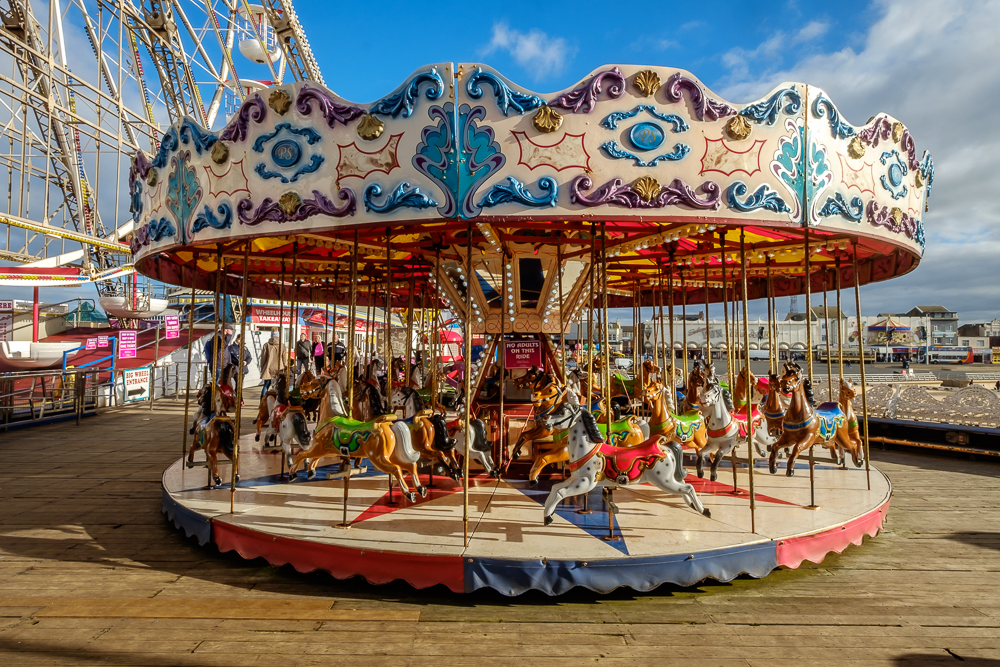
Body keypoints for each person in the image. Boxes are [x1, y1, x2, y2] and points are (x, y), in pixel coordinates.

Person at [258, 332, 286, 397]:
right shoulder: (282, 345)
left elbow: (263, 358)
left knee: (266, 385)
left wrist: (262, 368)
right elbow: (284, 358)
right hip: (279, 367)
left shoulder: (266, 345)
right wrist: (285, 366)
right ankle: (277, 401)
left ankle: (262, 400)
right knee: (278, 386)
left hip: (268, 367)